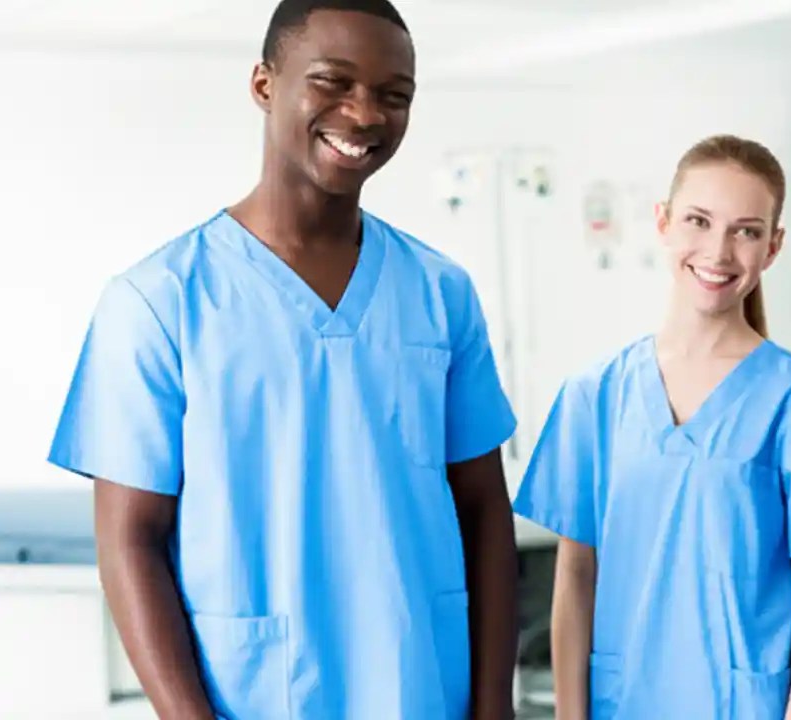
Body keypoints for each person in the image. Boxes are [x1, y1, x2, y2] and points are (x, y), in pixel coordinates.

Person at [47, 2, 519, 718]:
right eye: (333, 82)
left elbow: (482, 510)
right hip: (253, 694)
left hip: (421, 685)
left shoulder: (440, 292)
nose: (365, 114)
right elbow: (130, 541)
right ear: (264, 85)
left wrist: (493, 706)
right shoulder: (158, 301)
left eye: (394, 95)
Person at [513, 135, 791, 719]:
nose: (719, 250)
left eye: (746, 231)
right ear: (663, 222)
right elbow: (576, 580)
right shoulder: (595, 394)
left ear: (773, 247)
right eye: (699, 221)